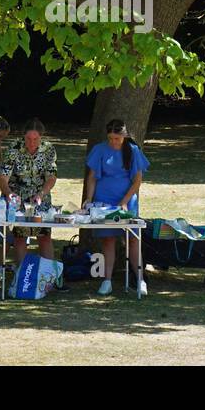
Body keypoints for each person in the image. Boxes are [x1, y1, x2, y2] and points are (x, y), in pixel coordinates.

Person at [83, 118, 150, 297]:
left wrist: (125, 201)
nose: (114, 142)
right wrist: (89, 199)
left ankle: (140, 279)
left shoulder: (133, 151)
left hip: (127, 201)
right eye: (111, 138)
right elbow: (92, 177)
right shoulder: (100, 150)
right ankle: (107, 281)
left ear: (124, 136)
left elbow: (137, 181)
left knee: (133, 239)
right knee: (108, 240)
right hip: (104, 201)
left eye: (117, 139)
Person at [0, 118, 66, 289]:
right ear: (23, 137)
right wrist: (9, 194)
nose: (32, 143)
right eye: (28, 139)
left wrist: (42, 193)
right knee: (20, 236)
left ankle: (49, 279)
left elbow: (51, 176)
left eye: (35, 139)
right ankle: (22, 277)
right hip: (18, 196)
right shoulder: (14, 148)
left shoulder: (48, 149)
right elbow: (3, 178)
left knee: (44, 236)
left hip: (40, 194)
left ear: (41, 138)